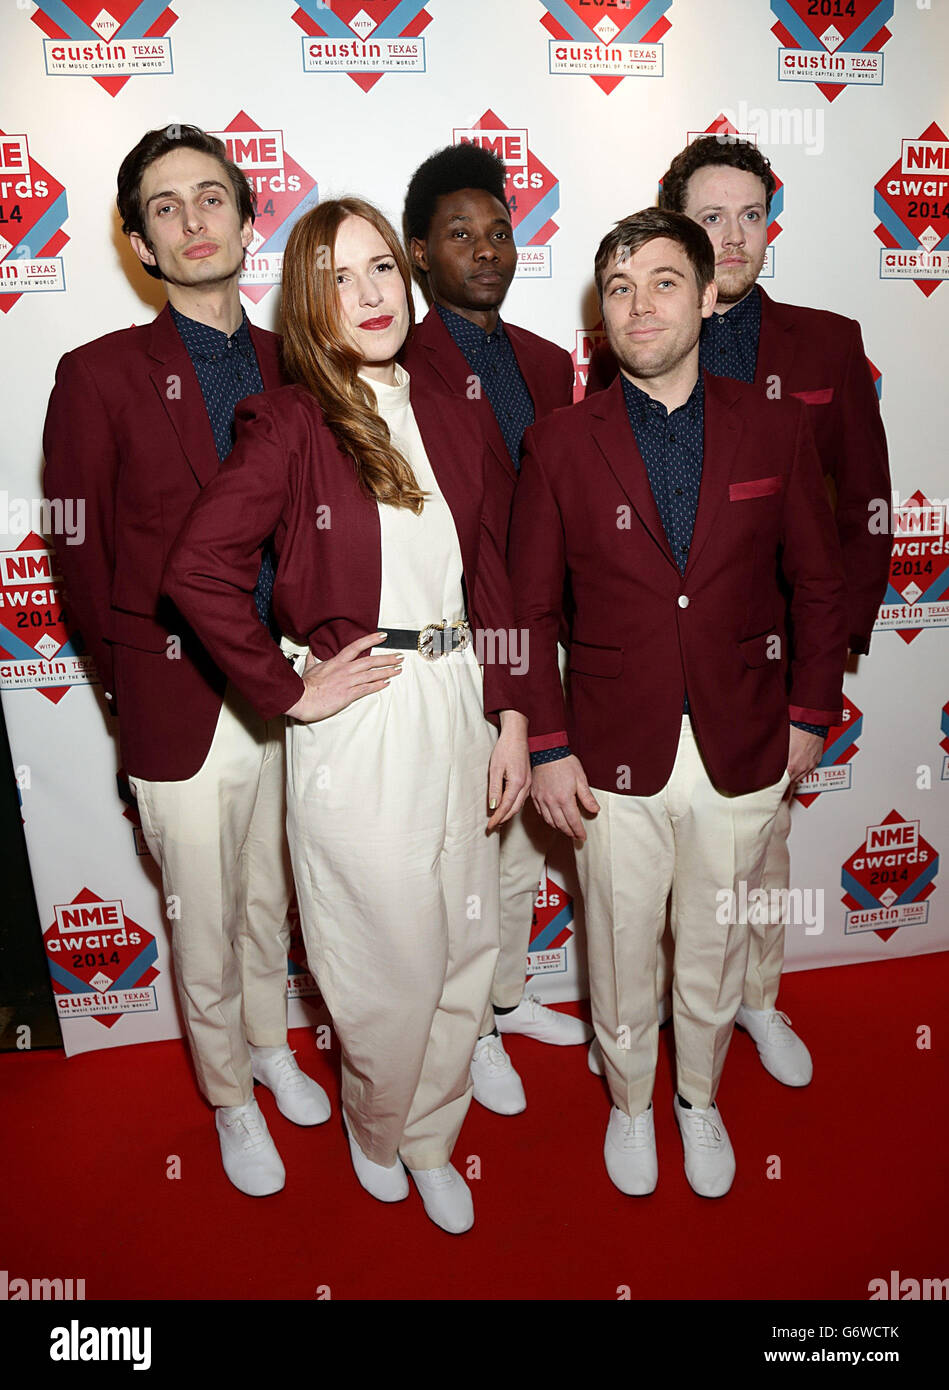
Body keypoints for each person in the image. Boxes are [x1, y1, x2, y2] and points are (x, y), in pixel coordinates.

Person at [163, 197, 530, 1234]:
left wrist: (507, 710)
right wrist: (287, 690)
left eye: (382, 270)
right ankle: (378, 1129)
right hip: (361, 719)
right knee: (385, 964)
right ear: (308, 303)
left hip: (461, 697)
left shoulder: (453, 407)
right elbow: (196, 569)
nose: (369, 295)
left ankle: (431, 1132)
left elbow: (492, 572)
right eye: (339, 278)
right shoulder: (287, 421)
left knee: (463, 945)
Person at [508, 208, 848, 1197]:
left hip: (745, 740)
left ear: (708, 295)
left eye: (663, 281)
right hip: (610, 752)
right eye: (618, 288)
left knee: (712, 943)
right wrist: (549, 744)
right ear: (598, 313)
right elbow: (529, 608)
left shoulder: (775, 429)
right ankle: (627, 1101)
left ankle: (696, 1099)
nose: (639, 304)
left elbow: (817, 586)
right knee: (618, 948)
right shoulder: (558, 443)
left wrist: (807, 715)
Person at [43, 125, 328, 1200]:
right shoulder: (97, 374)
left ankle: (269, 1044)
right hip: (175, 702)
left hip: (293, 691)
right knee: (201, 916)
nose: (194, 220)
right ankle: (229, 1098)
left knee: (272, 901)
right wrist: (132, 694)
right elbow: (80, 559)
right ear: (139, 243)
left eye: (213, 197)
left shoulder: (300, 364)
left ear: (250, 221)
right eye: (166, 207)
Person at [587, 137, 891, 1087]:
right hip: (660, 676)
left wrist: (819, 673)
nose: (730, 235)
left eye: (748, 215)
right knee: (659, 889)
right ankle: (643, 1052)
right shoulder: (638, 335)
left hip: (773, 673)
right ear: (676, 220)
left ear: (772, 226)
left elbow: (864, 510)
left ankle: (754, 1002)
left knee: (760, 860)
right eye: (708, 216)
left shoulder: (826, 341)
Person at [401, 142, 589, 1117]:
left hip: (549, 630)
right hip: (465, 640)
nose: (485, 248)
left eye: (498, 229)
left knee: (519, 839)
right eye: (459, 233)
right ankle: (466, 1025)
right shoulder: (401, 364)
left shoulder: (553, 364)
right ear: (421, 253)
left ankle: (508, 998)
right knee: (467, 845)